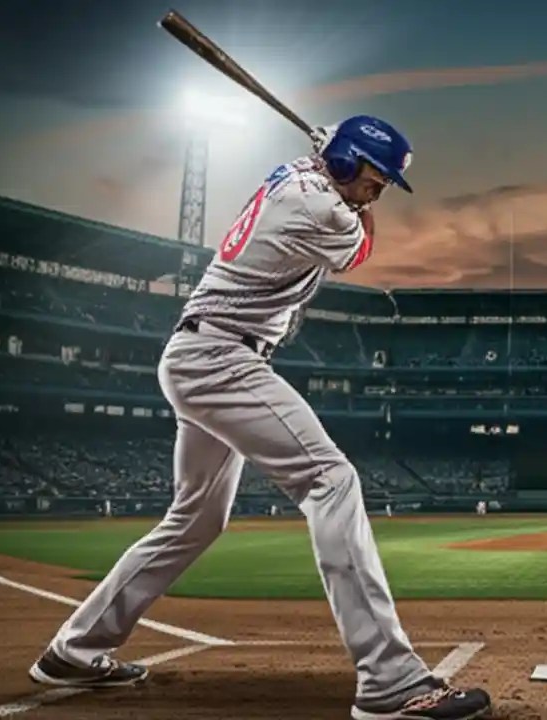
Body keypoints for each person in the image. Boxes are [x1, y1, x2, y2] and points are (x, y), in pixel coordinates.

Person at [27, 116, 492, 720]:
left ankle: (76, 649)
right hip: (222, 357)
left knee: (195, 520)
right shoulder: (322, 210)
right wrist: (347, 189)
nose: (376, 195)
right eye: (373, 181)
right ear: (343, 162)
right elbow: (360, 248)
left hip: (199, 354)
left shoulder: (298, 178)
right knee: (332, 481)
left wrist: (336, 164)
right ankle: (390, 680)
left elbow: (336, 199)